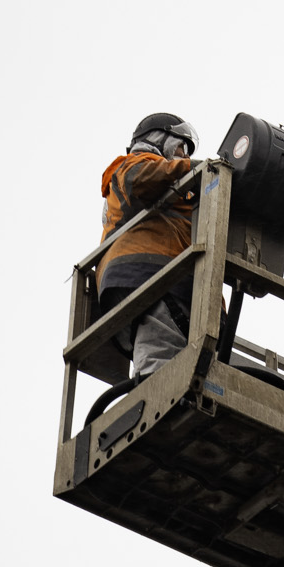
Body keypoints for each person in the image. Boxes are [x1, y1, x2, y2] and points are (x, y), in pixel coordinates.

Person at [97, 113, 202, 378]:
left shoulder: (171, 192)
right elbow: (139, 177)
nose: (184, 156)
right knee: (163, 372)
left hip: (138, 280)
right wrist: (200, 168)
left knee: (164, 357)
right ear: (160, 140)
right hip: (153, 275)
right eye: (181, 147)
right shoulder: (136, 163)